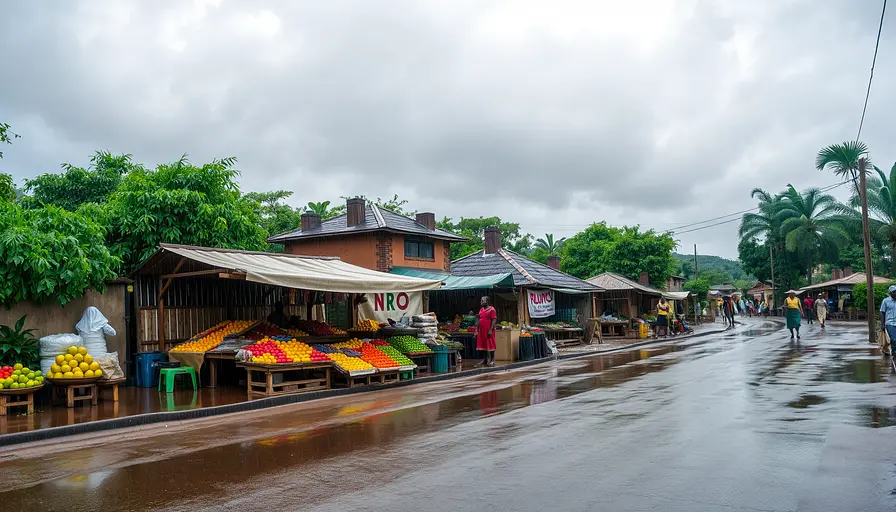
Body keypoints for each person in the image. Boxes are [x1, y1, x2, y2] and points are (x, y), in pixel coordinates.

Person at [477, 296, 498, 367]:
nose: (481, 302)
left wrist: (491, 329)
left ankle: (492, 359)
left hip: (488, 329)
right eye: (481, 301)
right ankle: (485, 359)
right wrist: (477, 329)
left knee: (490, 343)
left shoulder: (492, 309)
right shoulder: (481, 309)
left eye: (483, 301)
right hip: (481, 330)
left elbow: (494, 319)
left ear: (487, 301)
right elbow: (480, 319)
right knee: (483, 344)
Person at [879, 286, 896, 357]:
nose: (895, 293)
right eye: (894, 292)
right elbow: (882, 312)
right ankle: (894, 353)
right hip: (890, 323)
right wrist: (882, 325)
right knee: (894, 339)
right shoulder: (886, 301)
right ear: (890, 293)